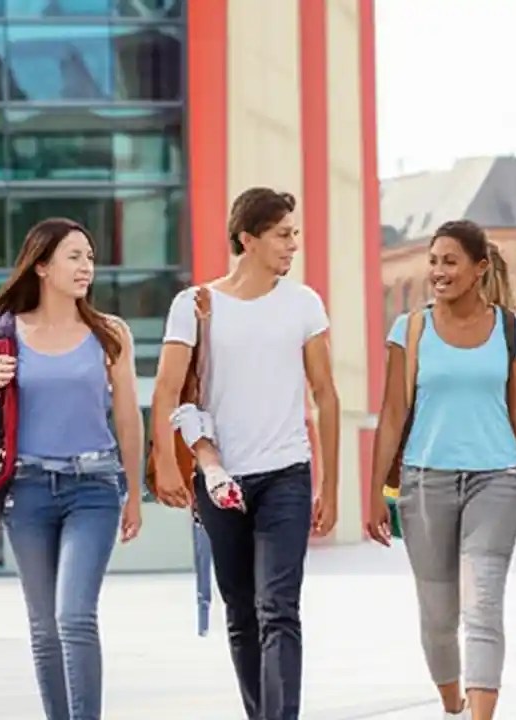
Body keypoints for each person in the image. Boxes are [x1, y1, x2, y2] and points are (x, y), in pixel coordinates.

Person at [151, 187, 340, 720]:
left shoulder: (303, 303)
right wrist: (167, 463)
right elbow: (167, 388)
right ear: (247, 239)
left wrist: (330, 485)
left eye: (295, 233)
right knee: (240, 611)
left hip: (287, 476)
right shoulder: (196, 304)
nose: (293, 244)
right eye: (283, 234)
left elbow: (326, 393)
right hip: (222, 480)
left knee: (278, 608)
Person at [365, 219, 516, 720]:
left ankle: (479, 714)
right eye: (433, 261)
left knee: (484, 605)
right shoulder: (410, 330)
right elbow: (391, 416)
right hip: (424, 481)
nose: (438, 271)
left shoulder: (511, 330)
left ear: (479, 268)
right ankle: (452, 701)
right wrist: (373, 495)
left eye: (449, 261)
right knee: (437, 617)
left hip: (496, 479)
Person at [0, 218, 144, 720]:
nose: (87, 267)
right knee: (43, 628)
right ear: (42, 266)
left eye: (90, 257)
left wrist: (135, 492)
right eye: (74, 257)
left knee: (74, 616)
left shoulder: (110, 333)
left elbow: (127, 417)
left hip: (94, 488)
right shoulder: (4, 330)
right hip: (28, 490)